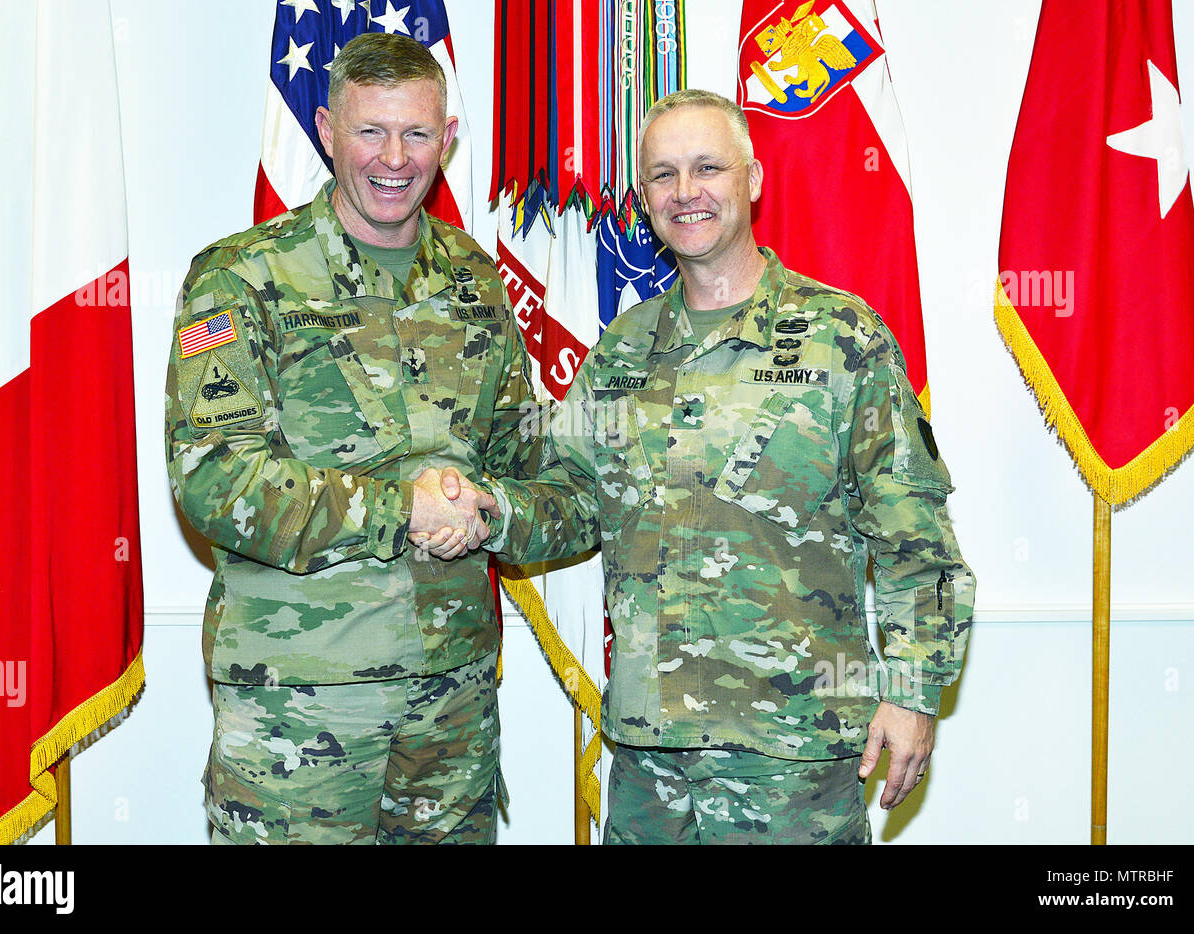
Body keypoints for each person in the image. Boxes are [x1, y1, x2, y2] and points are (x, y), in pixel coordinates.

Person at [416, 88, 975, 845]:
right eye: (663, 175)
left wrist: (911, 694)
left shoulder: (842, 338)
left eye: (708, 167)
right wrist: (484, 508)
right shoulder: (623, 350)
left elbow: (918, 542)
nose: (687, 192)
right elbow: (574, 501)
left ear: (752, 179)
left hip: (793, 761)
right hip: (651, 762)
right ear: (643, 198)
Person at [164, 32, 522, 845]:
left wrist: (494, 508)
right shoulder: (240, 276)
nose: (393, 158)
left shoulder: (477, 282)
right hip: (300, 715)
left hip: (453, 717)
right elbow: (215, 480)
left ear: (448, 138)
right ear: (325, 130)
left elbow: (526, 460)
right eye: (370, 131)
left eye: (417, 134)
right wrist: (409, 507)